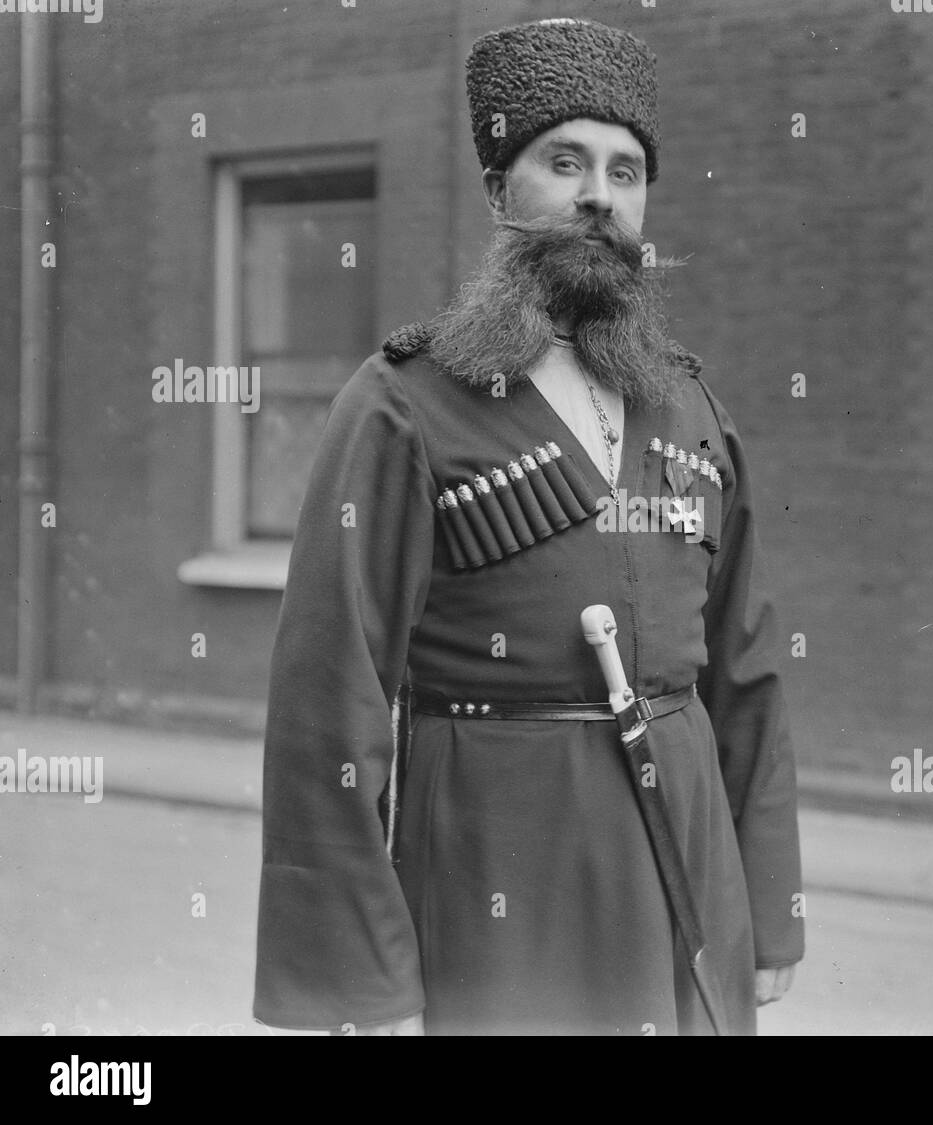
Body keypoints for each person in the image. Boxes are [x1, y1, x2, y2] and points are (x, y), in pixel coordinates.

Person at [253, 16, 803, 1036]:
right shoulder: (404, 403)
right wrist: (364, 983)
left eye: (627, 171)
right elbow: (329, 699)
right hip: (498, 860)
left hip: (687, 862)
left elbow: (748, 668)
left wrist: (770, 910)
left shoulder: (688, 406)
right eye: (565, 161)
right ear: (503, 192)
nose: (601, 193)